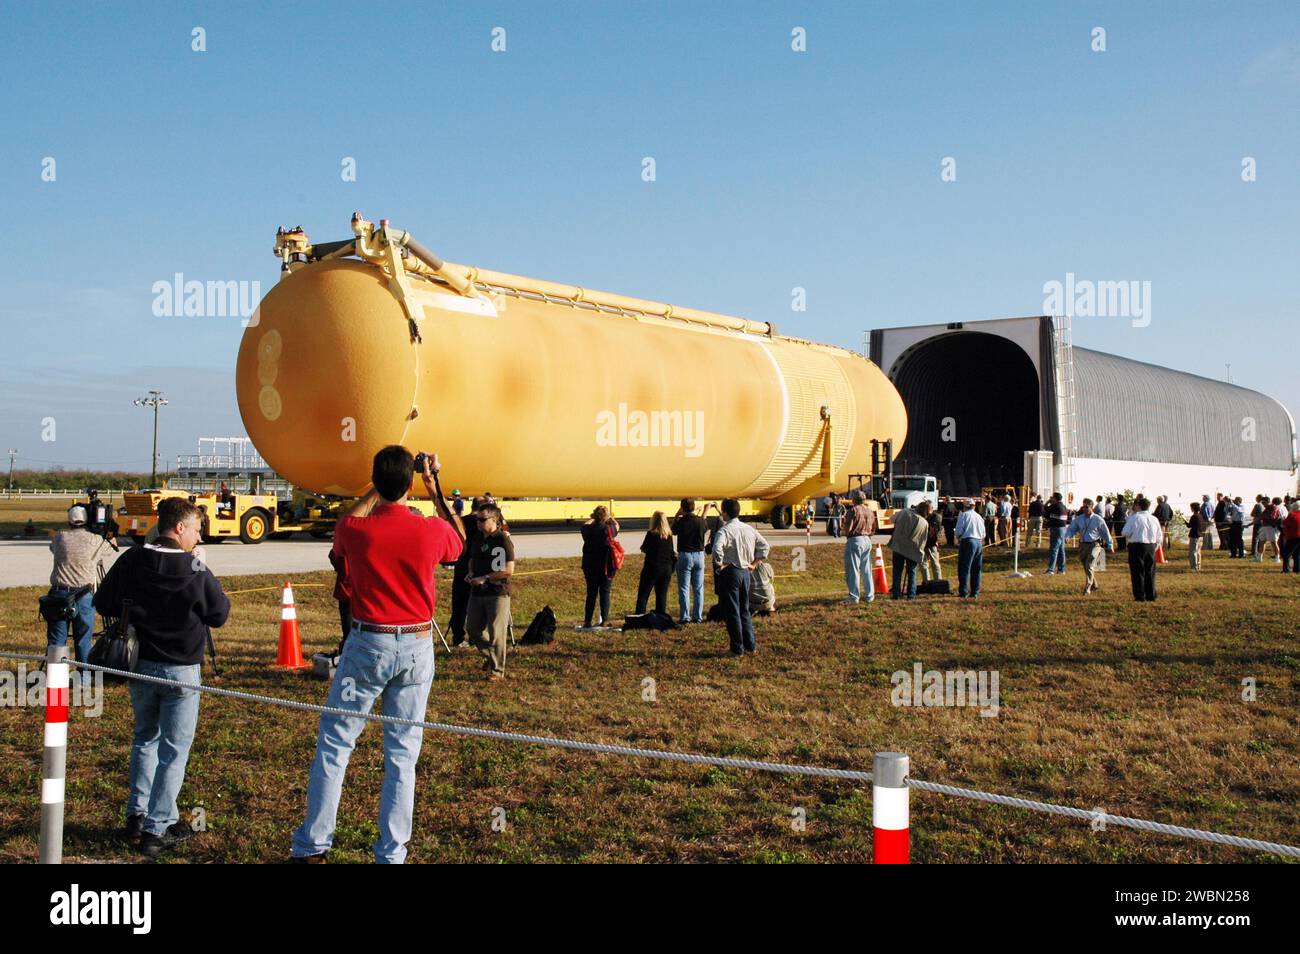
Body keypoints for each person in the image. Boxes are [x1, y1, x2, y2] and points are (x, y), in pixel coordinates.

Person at [291, 446, 464, 864]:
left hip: (368, 642)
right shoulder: (428, 530)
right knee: (403, 753)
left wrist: (378, 487)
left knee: (336, 743)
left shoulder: (357, 530)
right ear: (409, 484)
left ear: (376, 482)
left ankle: (314, 845)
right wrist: (432, 482)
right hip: (417, 644)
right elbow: (458, 542)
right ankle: (391, 853)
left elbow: (347, 521)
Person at [94, 496, 230, 857]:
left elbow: (103, 603)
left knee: (145, 739)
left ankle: (137, 815)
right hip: (182, 670)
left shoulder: (133, 559)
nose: (199, 538)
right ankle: (157, 828)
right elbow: (219, 614)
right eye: (198, 530)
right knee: (174, 749)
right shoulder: (195, 568)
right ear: (180, 528)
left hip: (141, 665)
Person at [46, 504, 110, 687]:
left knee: (57, 639)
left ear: (69, 520)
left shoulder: (59, 537)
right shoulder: (95, 539)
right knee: (83, 639)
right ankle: (83, 677)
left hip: (59, 594)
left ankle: (56, 679)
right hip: (84, 595)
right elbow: (108, 550)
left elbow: (52, 549)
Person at [710, 498, 769, 655]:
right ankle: (751, 644)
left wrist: (719, 564)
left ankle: (737, 648)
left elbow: (717, 549)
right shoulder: (748, 528)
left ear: (725, 512)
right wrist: (755, 563)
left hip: (731, 571)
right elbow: (764, 546)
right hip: (746, 572)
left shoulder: (725, 530)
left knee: (732, 611)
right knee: (744, 610)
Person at [465, 503, 515, 681]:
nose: (478, 522)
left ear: (494, 520)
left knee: (496, 633)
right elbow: (472, 559)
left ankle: (497, 671)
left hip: (497, 592)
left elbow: (508, 570)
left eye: (482, 519)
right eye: (476, 519)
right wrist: (471, 573)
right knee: (473, 629)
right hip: (478, 591)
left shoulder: (502, 540)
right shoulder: (478, 538)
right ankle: (490, 656)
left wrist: (485, 577)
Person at [448, 497, 485, 647]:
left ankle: (458, 637)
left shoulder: (462, 521)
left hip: (461, 564)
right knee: (476, 604)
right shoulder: (482, 524)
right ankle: (475, 637)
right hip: (477, 566)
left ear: (472, 505)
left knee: (459, 603)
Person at [578, 506, 620, 630]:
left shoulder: (587, 530)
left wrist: (592, 518)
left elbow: (584, 525)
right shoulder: (608, 529)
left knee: (591, 594)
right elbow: (617, 526)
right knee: (605, 593)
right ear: (605, 517)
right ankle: (605, 620)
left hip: (590, 566)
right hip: (606, 566)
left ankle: (587, 621)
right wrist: (610, 517)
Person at [1063, 498, 1113, 594]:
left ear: (1091, 507)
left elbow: (1105, 532)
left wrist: (1110, 544)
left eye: (1086, 507)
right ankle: (1094, 584)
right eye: (1083, 507)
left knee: (1089, 564)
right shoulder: (1079, 519)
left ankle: (1088, 588)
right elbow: (1071, 529)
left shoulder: (1098, 519)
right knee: (1086, 565)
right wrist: (1068, 536)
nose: (1084, 509)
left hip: (1095, 544)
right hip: (1083, 545)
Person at [672, 499, 711, 624]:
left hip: (685, 555)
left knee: (684, 588)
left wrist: (677, 515)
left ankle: (685, 617)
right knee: (698, 588)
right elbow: (705, 526)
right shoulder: (700, 521)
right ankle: (697, 616)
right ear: (694, 508)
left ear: (682, 508)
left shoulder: (680, 522)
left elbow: (672, 531)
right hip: (699, 555)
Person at [634, 511, 677, 616]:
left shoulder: (651, 534)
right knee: (661, 596)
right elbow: (671, 551)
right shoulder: (668, 535)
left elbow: (644, 548)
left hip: (652, 568)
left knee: (643, 595)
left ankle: (639, 617)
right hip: (666, 568)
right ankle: (660, 618)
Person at [1121, 496, 1162, 602]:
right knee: (1150, 571)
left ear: (1138, 506)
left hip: (1137, 546)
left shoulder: (1135, 517)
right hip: (1151, 546)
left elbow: (1124, 532)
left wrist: (1131, 535)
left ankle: (1140, 595)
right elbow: (1159, 536)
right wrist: (1155, 547)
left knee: (1137, 571)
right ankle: (1151, 595)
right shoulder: (1154, 519)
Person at [841, 490, 878, 604]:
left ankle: (854, 597)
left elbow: (849, 527)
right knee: (866, 570)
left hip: (855, 539)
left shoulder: (853, 510)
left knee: (853, 569)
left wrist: (845, 532)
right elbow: (874, 528)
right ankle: (869, 595)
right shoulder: (870, 511)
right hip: (867, 540)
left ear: (853, 500)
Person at [888, 501, 931, 599]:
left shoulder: (905, 512)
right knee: (912, 572)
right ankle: (911, 594)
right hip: (913, 550)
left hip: (899, 546)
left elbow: (892, 519)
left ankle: (896, 594)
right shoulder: (924, 523)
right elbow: (923, 540)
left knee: (897, 571)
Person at [953, 499, 985, 598]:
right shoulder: (979, 517)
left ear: (965, 506)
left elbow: (958, 531)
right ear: (974, 506)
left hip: (967, 541)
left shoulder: (963, 515)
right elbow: (984, 534)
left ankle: (964, 591)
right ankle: (975, 591)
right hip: (978, 542)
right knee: (976, 568)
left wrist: (958, 537)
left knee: (964, 567)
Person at [1044, 492, 1069, 575]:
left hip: (1056, 529)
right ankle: (1061, 569)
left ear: (1055, 498)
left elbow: (1044, 509)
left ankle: (1051, 569)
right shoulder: (1064, 507)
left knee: (1054, 549)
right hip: (1063, 529)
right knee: (1061, 549)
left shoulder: (1055, 506)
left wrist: (1048, 501)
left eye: (1052, 497)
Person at [1255, 497, 1283, 563]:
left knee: (1273, 542)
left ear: (1268, 502)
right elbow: (1261, 517)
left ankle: (1277, 558)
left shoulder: (1274, 508)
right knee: (1262, 542)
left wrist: (1263, 517)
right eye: (1262, 503)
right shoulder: (1266, 509)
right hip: (1264, 527)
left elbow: (1272, 517)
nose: (1263, 504)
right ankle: (1259, 558)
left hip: (1271, 527)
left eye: (1264, 503)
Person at [920, 505, 943, 583]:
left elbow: (937, 531)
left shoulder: (935, 517)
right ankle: (927, 581)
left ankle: (937, 581)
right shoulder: (925, 517)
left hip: (931, 543)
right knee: (925, 563)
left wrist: (936, 540)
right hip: (925, 543)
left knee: (933, 563)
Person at [1187, 501, 1207, 571]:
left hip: (1194, 536)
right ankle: (1198, 566)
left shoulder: (1194, 516)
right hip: (1200, 535)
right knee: (1198, 551)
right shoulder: (1201, 516)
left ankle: (1194, 567)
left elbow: (1189, 525)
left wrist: (1184, 519)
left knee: (1193, 552)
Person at [1281, 502, 1300, 574]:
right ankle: (1297, 569)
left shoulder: (1292, 515)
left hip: (1293, 537)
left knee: (1287, 554)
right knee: (1297, 554)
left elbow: (1284, 523)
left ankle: (1286, 569)